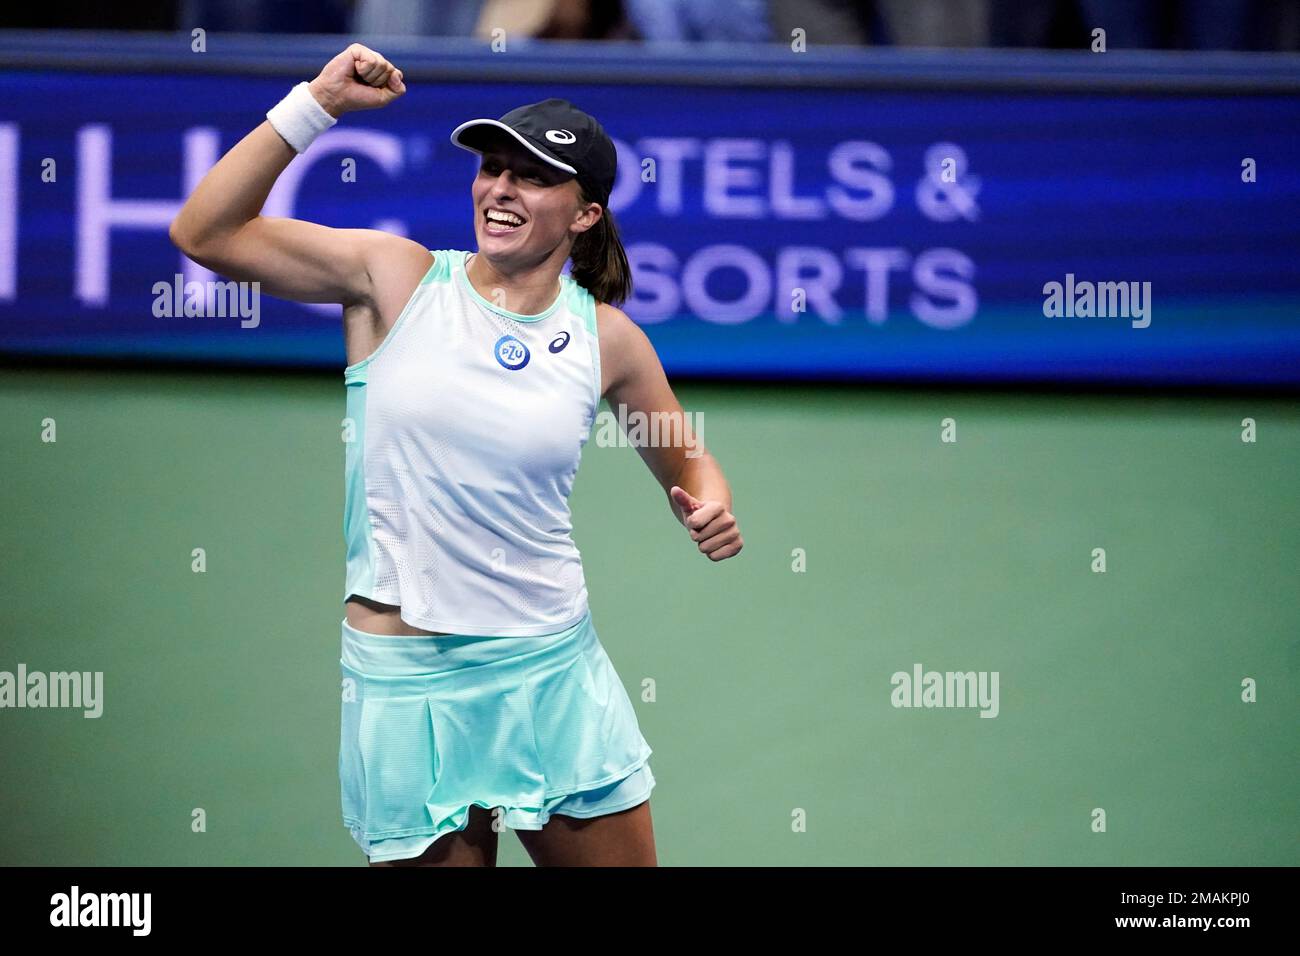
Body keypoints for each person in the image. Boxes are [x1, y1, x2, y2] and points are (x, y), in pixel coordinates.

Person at [169, 43, 743, 866]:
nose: (501, 188)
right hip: (405, 684)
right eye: (493, 169)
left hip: (549, 673)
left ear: (585, 214)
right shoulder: (392, 279)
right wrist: (315, 104)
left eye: (534, 177)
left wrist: (710, 501)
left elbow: (686, 461)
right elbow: (205, 231)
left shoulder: (605, 339)